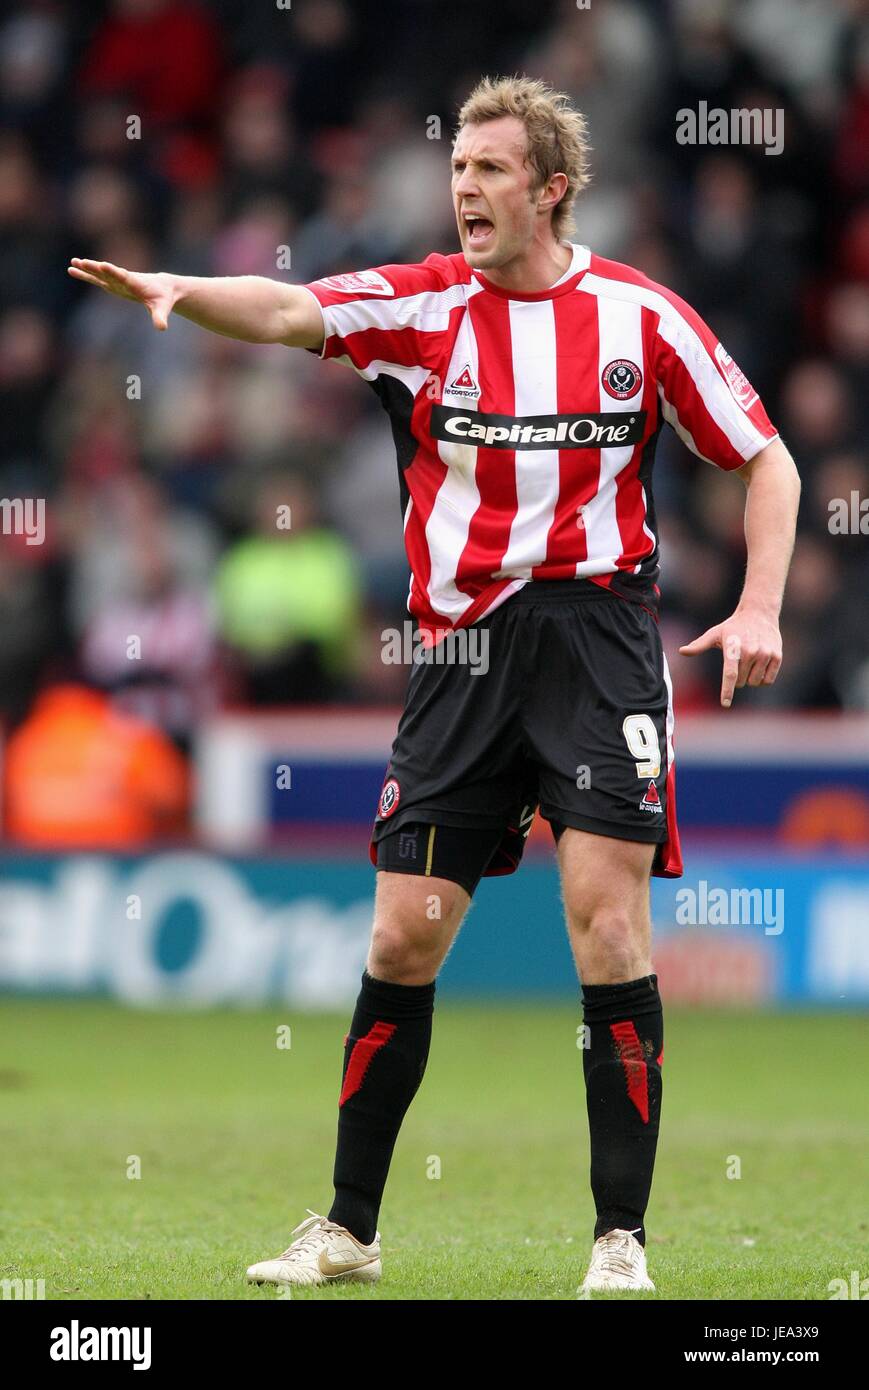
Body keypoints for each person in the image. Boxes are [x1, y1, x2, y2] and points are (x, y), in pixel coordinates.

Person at [69, 75, 801, 1294]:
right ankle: (349, 1228)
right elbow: (292, 308)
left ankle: (617, 1240)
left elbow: (766, 456)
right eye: (457, 167)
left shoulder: (640, 317)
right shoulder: (421, 305)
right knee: (402, 937)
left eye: (491, 169)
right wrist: (182, 292)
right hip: (458, 649)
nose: (463, 187)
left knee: (606, 924)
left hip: (594, 636)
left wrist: (763, 602)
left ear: (550, 187)